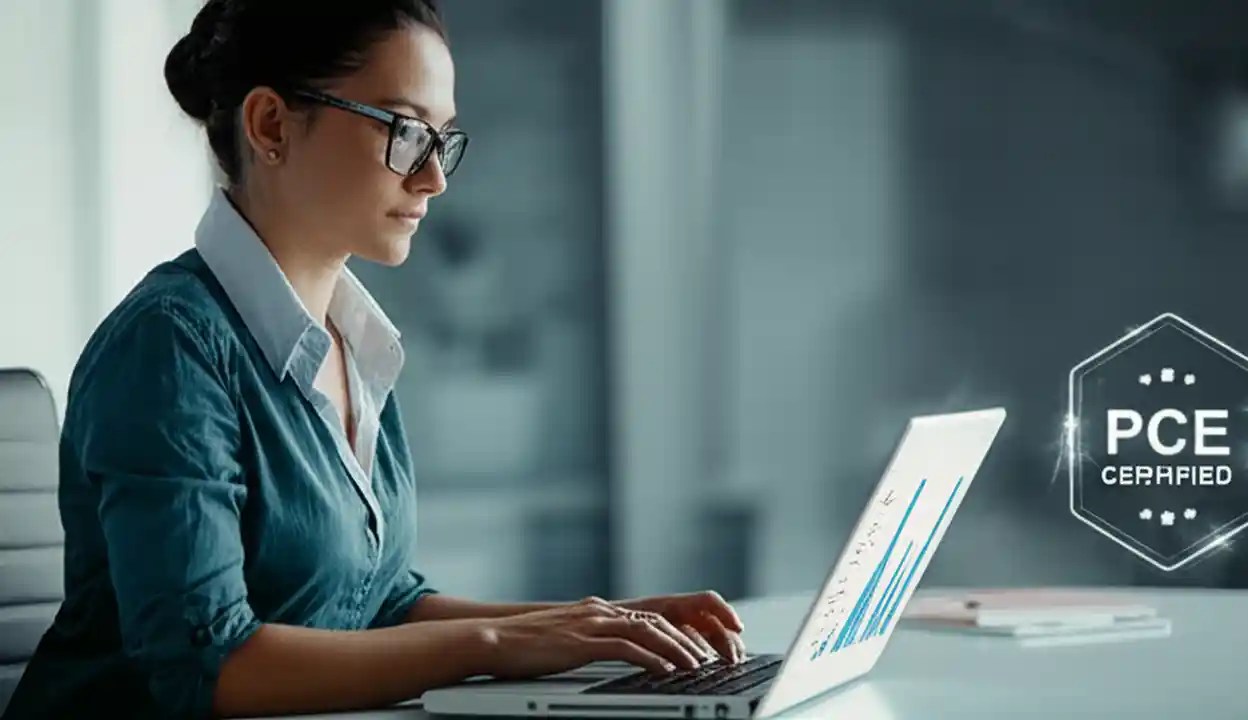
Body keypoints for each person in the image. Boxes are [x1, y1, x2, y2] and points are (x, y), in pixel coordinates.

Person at [1, 1, 746, 718]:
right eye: (405, 131)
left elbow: (378, 604)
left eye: (442, 140)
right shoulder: (169, 347)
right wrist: (495, 643)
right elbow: (208, 664)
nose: (434, 178)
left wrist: (597, 625)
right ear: (271, 125)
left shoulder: (356, 341)